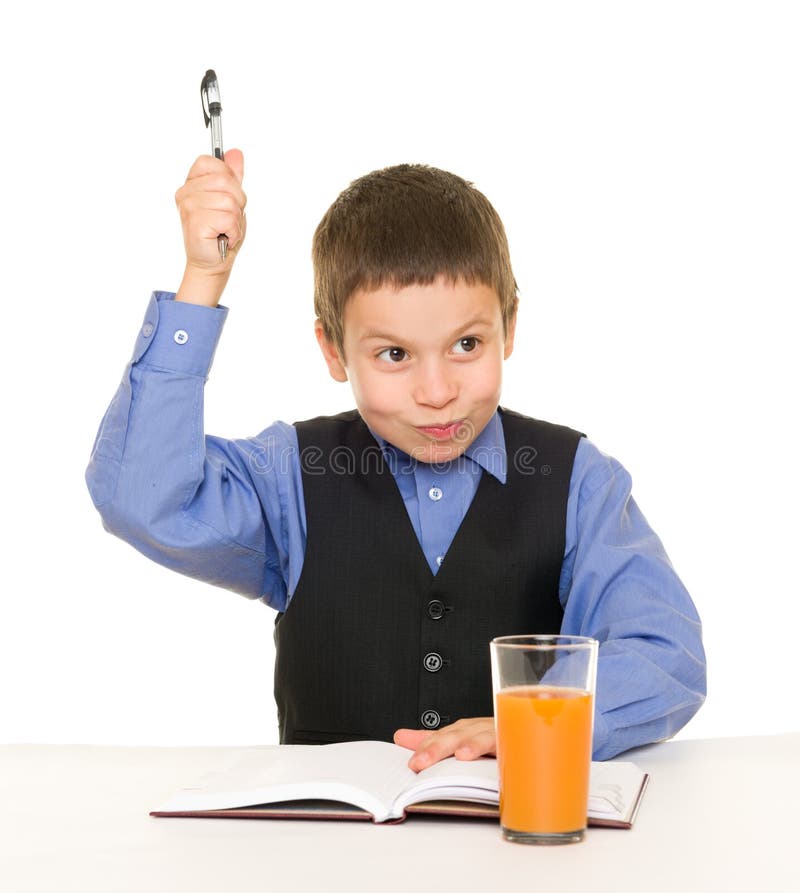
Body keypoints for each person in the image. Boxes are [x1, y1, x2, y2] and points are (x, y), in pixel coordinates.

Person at [85, 149, 706, 769]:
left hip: (512, 850)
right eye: (394, 355)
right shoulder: (288, 478)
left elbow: (665, 654)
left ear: (508, 327)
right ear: (334, 351)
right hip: (327, 851)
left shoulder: (576, 481)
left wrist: (533, 725)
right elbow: (142, 499)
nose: (436, 392)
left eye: (466, 344)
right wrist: (202, 280)